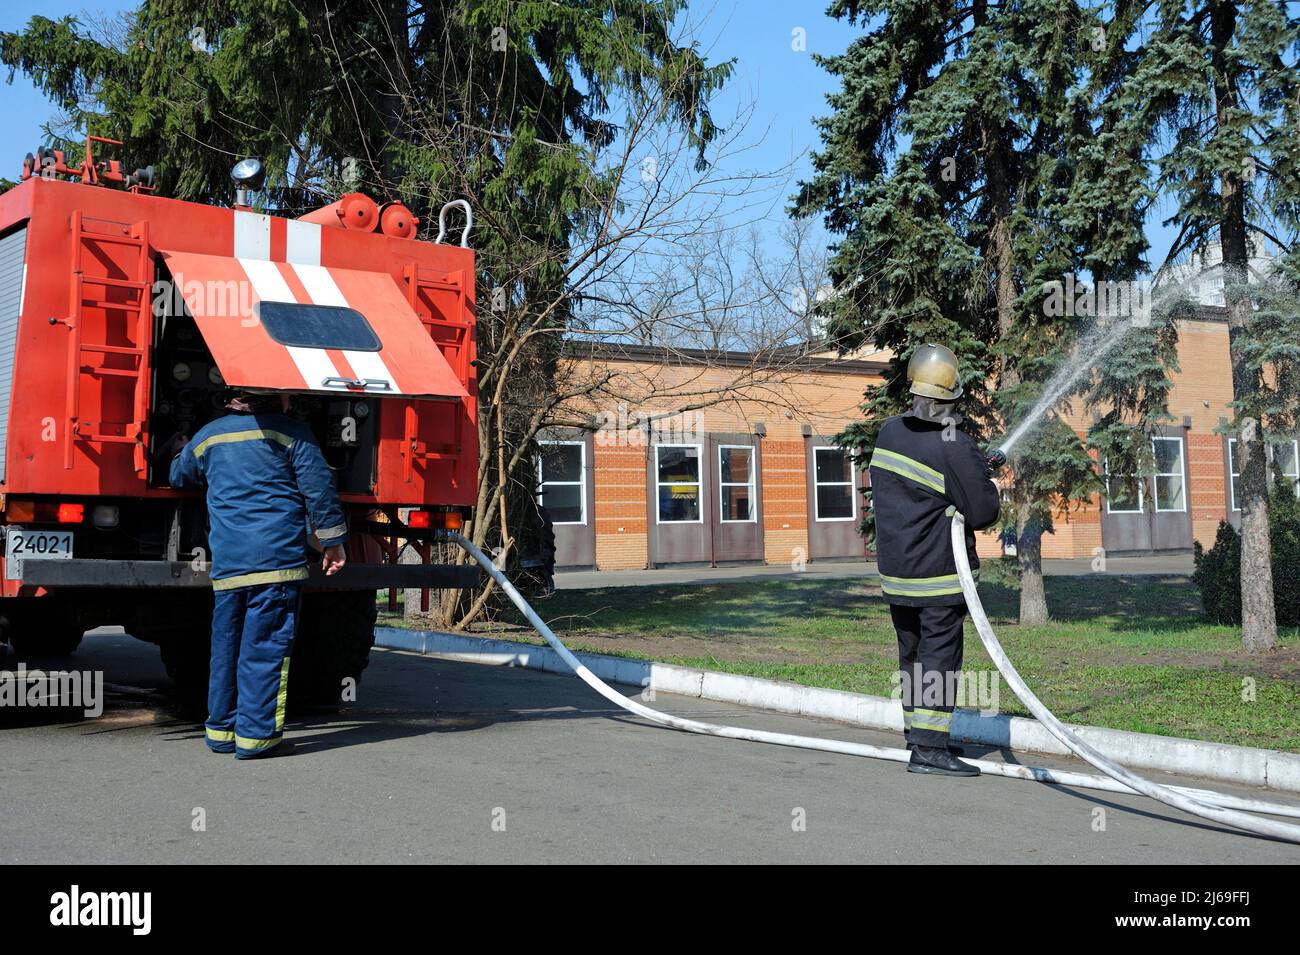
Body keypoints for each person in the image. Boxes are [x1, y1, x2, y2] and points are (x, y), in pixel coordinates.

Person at [169, 391, 347, 759]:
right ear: (277, 399)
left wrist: (181, 446)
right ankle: (256, 738)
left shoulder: (210, 435)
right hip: (275, 563)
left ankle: (220, 732)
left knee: (226, 649)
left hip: (229, 567)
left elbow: (179, 475)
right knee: (263, 649)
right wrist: (333, 542)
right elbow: (318, 490)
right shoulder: (293, 434)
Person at [868, 343, 1001, 777]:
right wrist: (981, 474)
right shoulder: (955, 446)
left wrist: (975, 465)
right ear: (952, 396)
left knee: (912, 655)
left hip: (897, 573)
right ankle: (928, 751)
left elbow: (922, 486)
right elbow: (982, 513)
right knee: (939, 659)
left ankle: (919, 735)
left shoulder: (890, 431)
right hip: (938, 576)